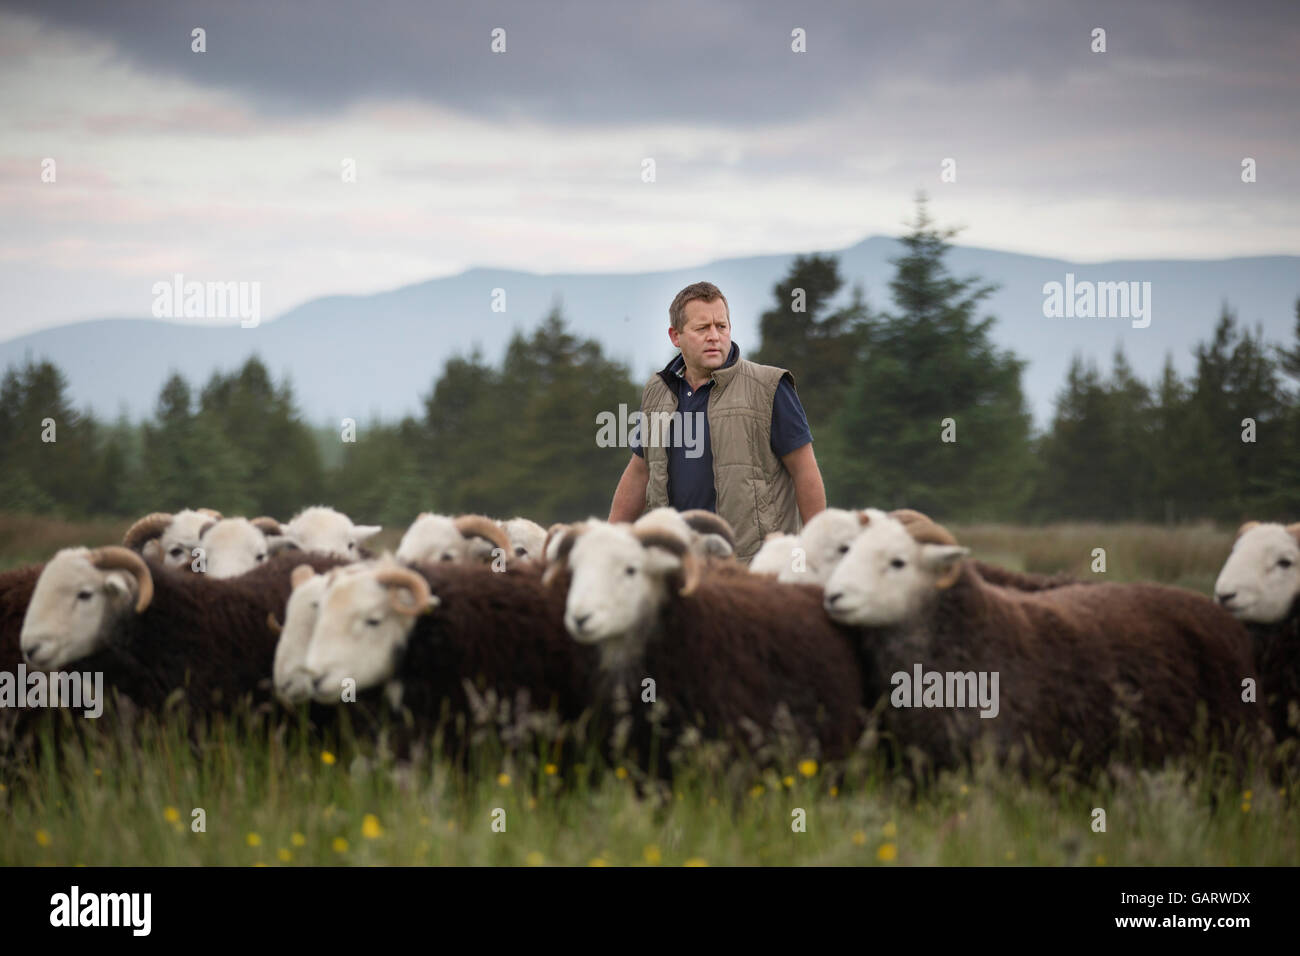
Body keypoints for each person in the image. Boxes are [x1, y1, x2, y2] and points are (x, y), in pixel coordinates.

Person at [608, 280, 827, 562]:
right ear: (676, 336)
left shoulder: (769, 387)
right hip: (676, 565)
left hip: (755, 568)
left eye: (721, 326)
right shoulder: (657, 391)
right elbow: (640, 472)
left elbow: (804, 470)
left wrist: (815, 552)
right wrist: (609, 542)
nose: (714, 336)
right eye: (702, 328)